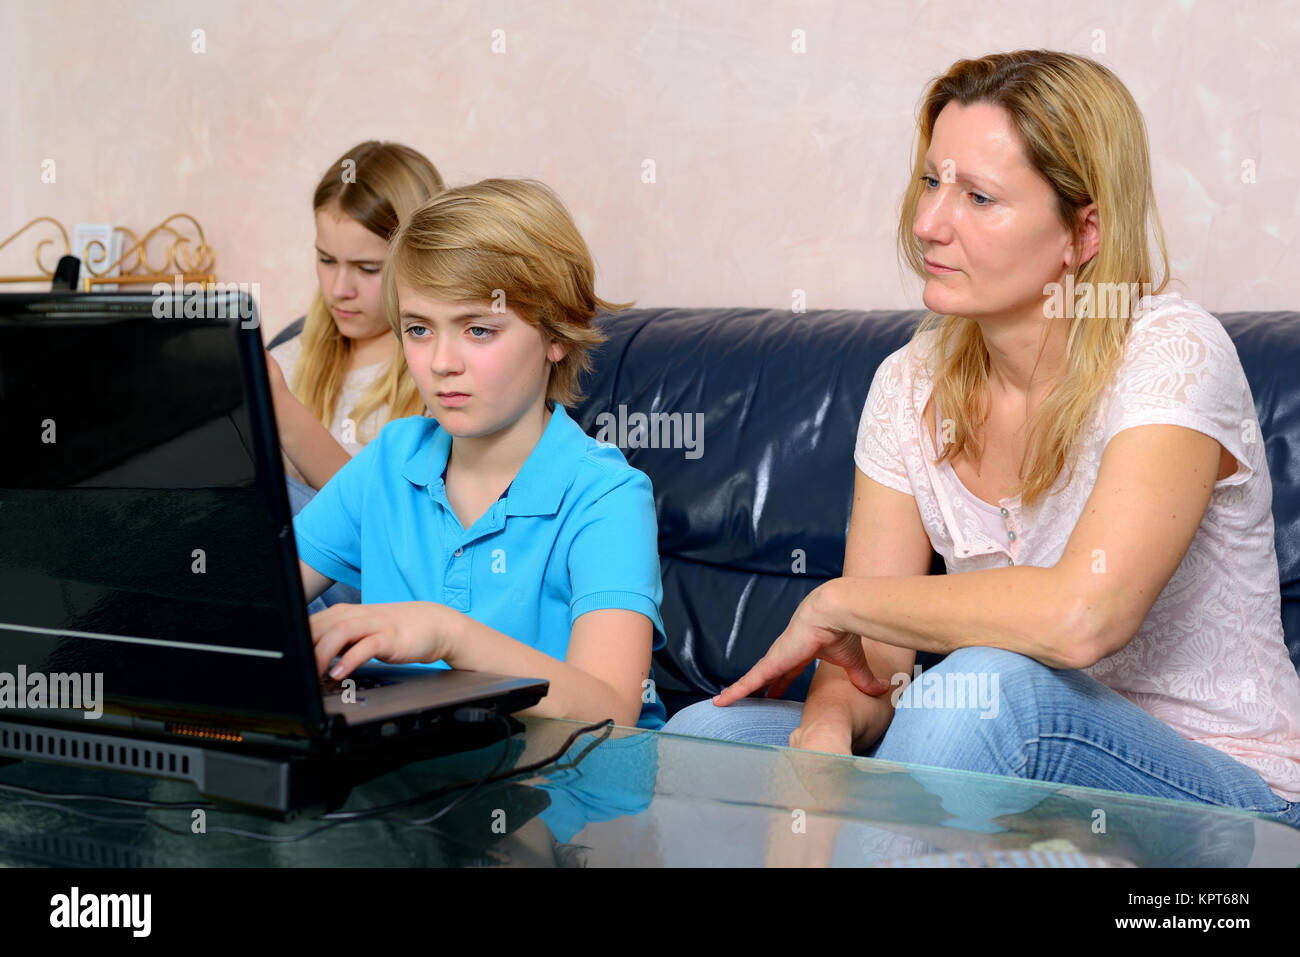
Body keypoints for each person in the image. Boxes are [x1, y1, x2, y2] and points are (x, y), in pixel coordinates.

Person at [664, 49, 1300, 828]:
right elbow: (877, 659)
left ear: (1083, 231)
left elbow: (1083, 616)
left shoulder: (1173, 354)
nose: (929, 222)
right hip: (1005, 767)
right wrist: (825, 731)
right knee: (704, 740)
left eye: (979, 197)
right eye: (932, 181)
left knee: (987, 688)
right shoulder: (909, 383)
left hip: (1229, 800)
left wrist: (838, 599)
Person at [293, 178, 667, 730]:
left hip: (567, 783)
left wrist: (448, 632)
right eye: (419, 329)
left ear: (556, 335)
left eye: (478, 329)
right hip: (408, 775)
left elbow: (612, 710)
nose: (442, 362)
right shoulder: (389, 461)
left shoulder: (605, 497)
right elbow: (247, 604)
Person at [265, 140, 444, 609]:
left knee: (276, 500)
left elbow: (389, 520)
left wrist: (282, 411)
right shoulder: (288, 359)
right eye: (326, 260)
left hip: (389, 587)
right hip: (297, 590)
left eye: (367, 269)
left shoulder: (443, 369)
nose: (339, 289)